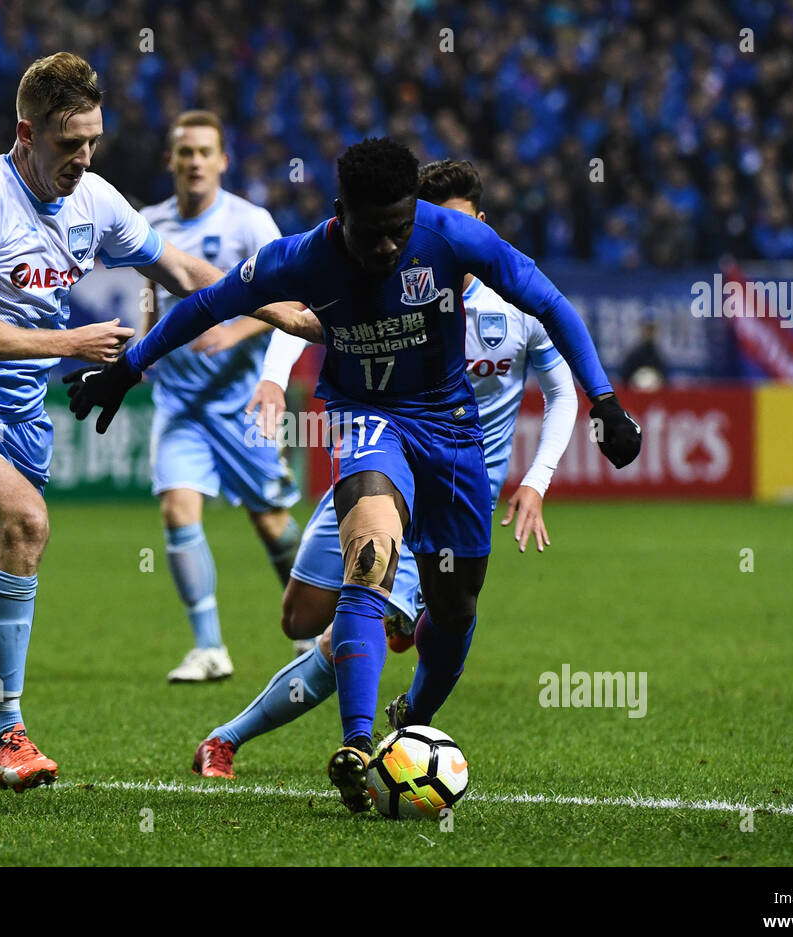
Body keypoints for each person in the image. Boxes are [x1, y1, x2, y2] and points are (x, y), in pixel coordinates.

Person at [69, 138, 641, 813]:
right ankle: (358, 745)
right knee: (369, 558)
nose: (388, 247)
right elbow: (209, 303)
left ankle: (413, 715)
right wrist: (130, 366)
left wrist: (604, 399)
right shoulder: (304, 256)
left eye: (401, 229)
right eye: (374, 232)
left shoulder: (452, 237)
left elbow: (552, 304)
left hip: (452, 435)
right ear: (342, 212)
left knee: (455, 612)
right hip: (366, 420)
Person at [0, 52, 309, 798]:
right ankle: (9, 735)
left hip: (20, 422)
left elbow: (186, 274)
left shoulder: (96, 199)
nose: (83, 158)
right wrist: (72, 342)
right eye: (69, 144)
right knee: (26, 524)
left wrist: (279, 310)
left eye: (93, 141)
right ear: (26, 134)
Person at [191, 159, 579, 778]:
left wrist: (537, 479)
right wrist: (271, 377)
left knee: (355, 610)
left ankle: (234, 739)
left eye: (462, 227)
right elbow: (315, 317)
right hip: (377, 453)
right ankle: (398, 631)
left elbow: (564, 393)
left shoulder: (518, 308)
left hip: (448, 491)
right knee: (298, 614)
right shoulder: (386, 282)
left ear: (482, 225)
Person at [139, 110, 301, 683]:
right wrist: (140, 352)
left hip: (241, 406)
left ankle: (310, 631)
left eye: (205, 151)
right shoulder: (149, 222)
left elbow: (294, 302)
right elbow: (149, 301)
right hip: (179, 403)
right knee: (176, 508)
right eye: (185, 152)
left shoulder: (250, 222)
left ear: (223, 161)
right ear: (171, 161)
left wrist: (236, 329)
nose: (195, 162)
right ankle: (209, 648)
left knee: (272, 522)